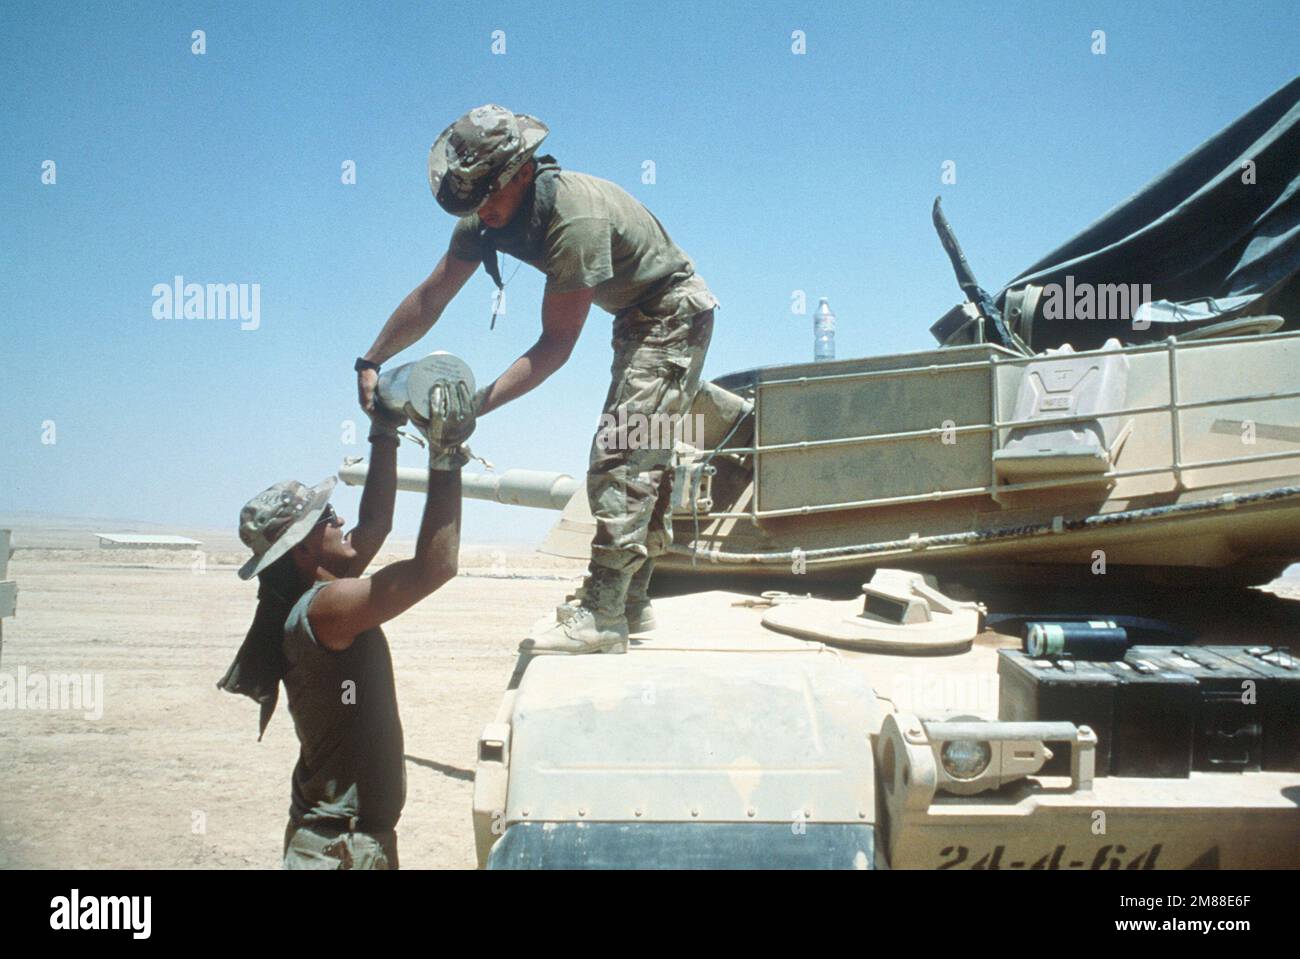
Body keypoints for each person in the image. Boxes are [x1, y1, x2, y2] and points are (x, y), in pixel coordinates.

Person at [355, 104, 718, 655]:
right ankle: (631, 602)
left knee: (623, 453)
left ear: (523, 172)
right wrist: (372, 359)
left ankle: (603, 615)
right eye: (472, 198)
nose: (482, 210)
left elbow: (555, 347)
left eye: (489, 194)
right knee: (644, 456)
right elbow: (433, 296)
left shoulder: (576, 221)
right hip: (634, 319)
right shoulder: (487, 214)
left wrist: (471, 409)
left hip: (673, 314)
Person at [218, 371, 474, 869]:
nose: (339, 521)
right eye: (327, 516)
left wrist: (385, 429)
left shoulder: (313, 597)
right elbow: (435, 568)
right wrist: (446, 456)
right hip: (339, 851)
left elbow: (377, 523)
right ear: (303, 547)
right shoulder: (324, 609)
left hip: (347, 843)